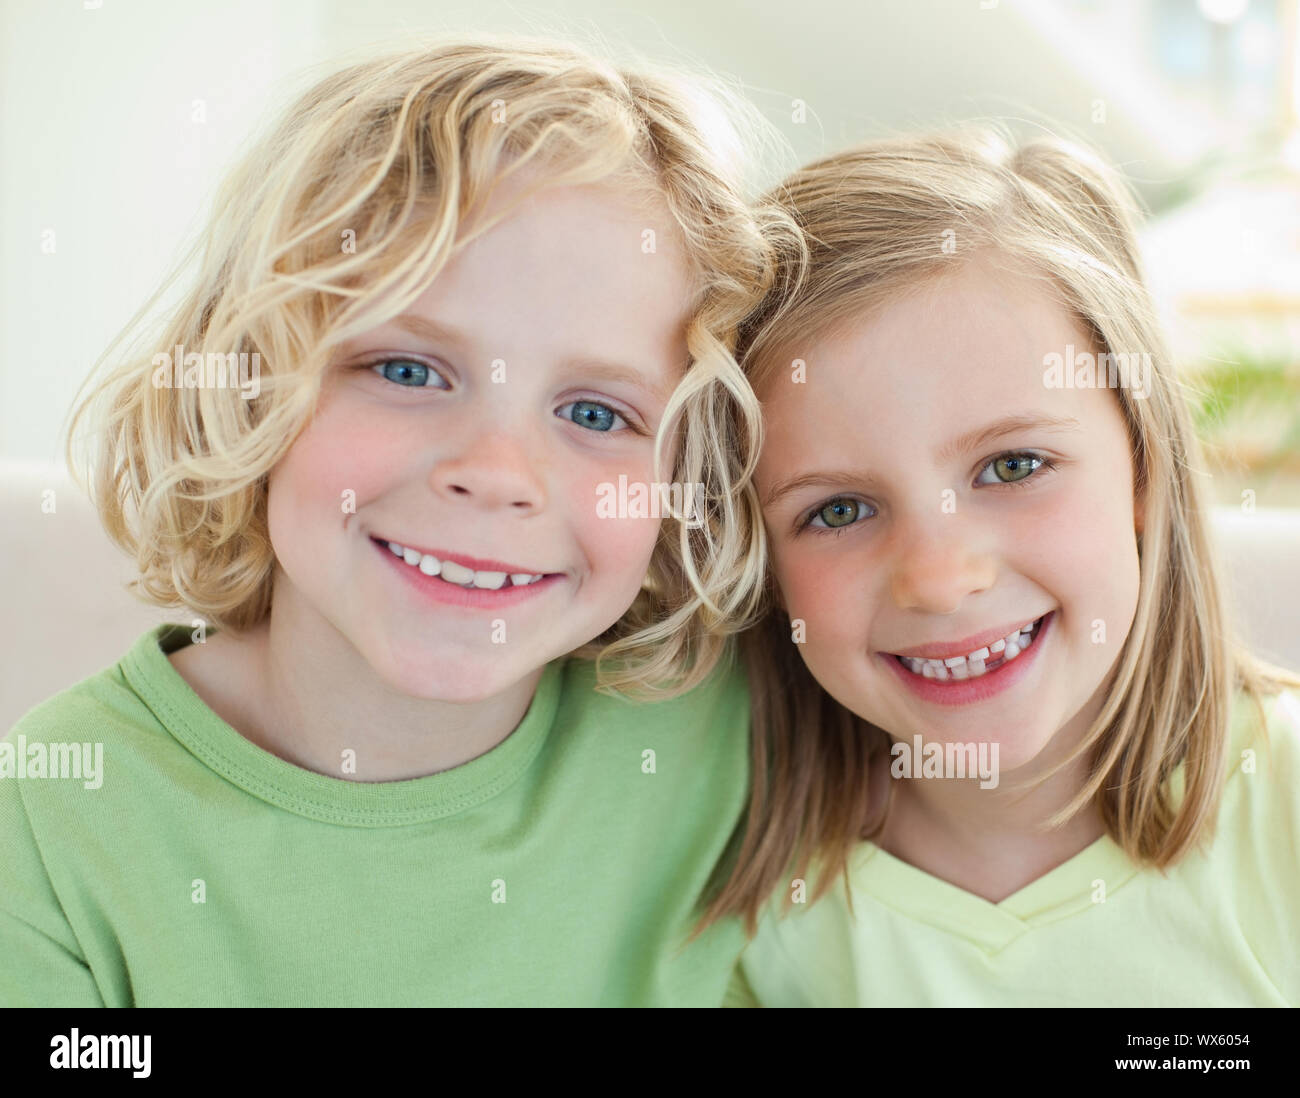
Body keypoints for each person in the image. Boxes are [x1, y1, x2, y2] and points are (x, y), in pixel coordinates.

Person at [0, 34, 791, 1007]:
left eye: (595, 414)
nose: (496, 475)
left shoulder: (739, 732)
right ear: (252, 386)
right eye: (409, 371)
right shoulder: (49, 827)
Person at [704, 127, 1300, 1006]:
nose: (941, 578)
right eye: (837, 510)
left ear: (1141, 460)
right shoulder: (743, 898)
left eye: (1013, 467)